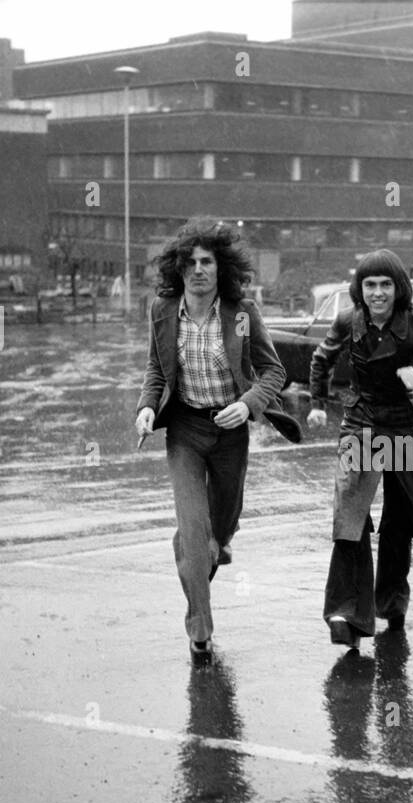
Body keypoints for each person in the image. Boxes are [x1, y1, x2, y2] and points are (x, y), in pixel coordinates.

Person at [135, 218, 286, 657]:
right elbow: (157, 369)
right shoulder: (163, 311)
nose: (199, 269)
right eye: (191, 263)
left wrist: (249, 403)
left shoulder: (241, 315)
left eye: (208, 261)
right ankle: (200, 628)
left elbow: (274, 371)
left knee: (219, 528)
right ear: (178, 270)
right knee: (193, 530)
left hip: (230, 432)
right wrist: (146, 407)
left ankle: (211, 544)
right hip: (184, 430)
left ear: (222, 268)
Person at [308, 249, 413, 650]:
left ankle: (391, 601)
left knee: (398, 521)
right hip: (360, 423)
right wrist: (318, 404)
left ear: (398, 288)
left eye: (385, 284)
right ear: (360, 289)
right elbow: (321, 360)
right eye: (370, 285)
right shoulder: (346, 321)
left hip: (403, 427)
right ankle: (347, 614)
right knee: (351, 518)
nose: (377, 293)